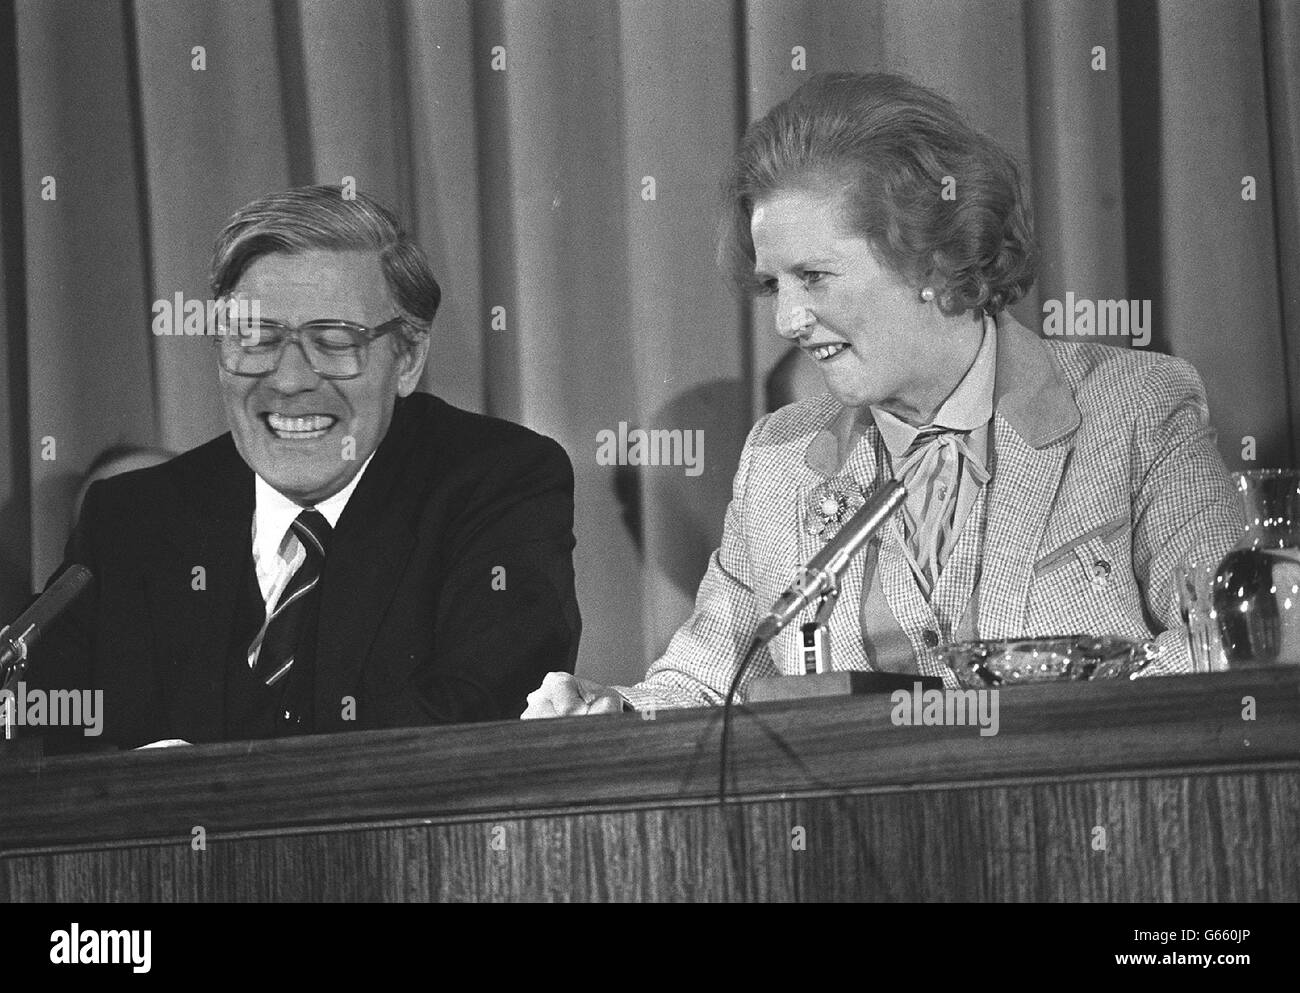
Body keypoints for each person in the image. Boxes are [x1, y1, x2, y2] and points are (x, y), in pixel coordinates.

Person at [522, 71, 1243, 718]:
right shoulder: (781, 459)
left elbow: (1232, 640)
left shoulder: (1136, 410)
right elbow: (703, 684)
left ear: (931, 251)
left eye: (815, 276)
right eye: (775, 285)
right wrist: (611, 708)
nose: (786, 320)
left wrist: (1050, 709)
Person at [27, 185, 580, 747]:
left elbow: (479, 724)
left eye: (335, 341)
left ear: (409, 356)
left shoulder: (498, 483)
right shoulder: (131, 519)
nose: (289, 380)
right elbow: (39, 735)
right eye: (256, 338)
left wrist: (205, 788)